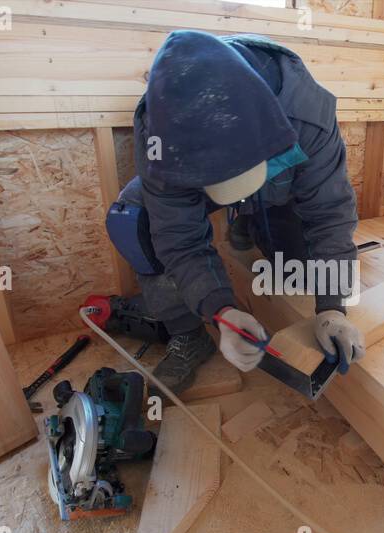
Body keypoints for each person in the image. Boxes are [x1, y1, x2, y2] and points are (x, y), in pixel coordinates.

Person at [107, 30, 365, 393]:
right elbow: (178, 237)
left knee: (297, 271)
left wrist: (333, 306)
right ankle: (187, 334)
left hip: (282, 187)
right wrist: (222, 311)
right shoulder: (159, 138)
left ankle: (255, 222)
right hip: (196, 179)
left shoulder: (306, 112)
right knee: (131, 221)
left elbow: (329, 212)